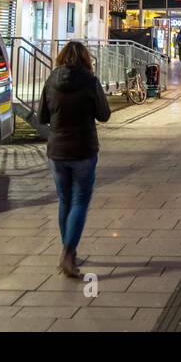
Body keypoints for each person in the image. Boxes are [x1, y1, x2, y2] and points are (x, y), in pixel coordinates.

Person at [38, 41, 111, 278]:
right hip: (83, 149)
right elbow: (104, 115)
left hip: (57, 151)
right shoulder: (90, 81)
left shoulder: (51, 80)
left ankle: (68, 249)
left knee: (64, 200)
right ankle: (69, 252)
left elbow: (42, 116)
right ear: (85, 59)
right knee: (79, 200)